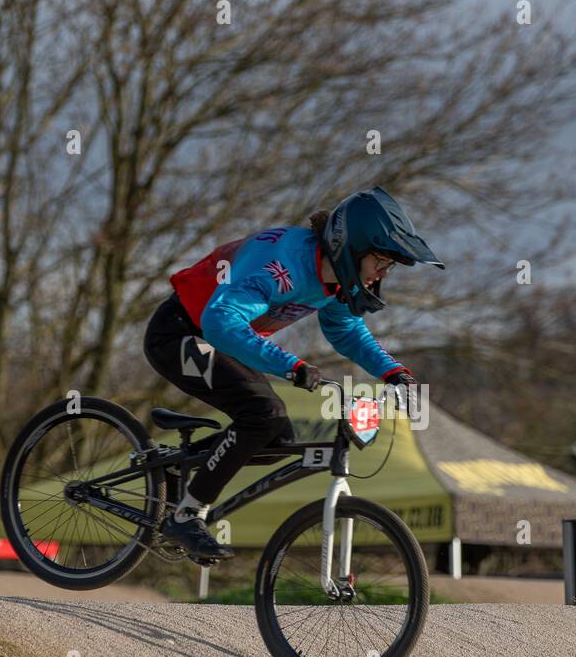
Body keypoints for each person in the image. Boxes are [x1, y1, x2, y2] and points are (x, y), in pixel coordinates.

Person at [143, 185, 444, 560]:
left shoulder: (335, 279)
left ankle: (178, 467)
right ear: (352, 250)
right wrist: (291, 366)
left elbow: (345, 330)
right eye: (380, 263)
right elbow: (220, 322)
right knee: (262, 414)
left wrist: (393, 373)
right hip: (182, 332)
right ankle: (186, 516)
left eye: (388, 267)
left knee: (275, 438)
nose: (382, 275)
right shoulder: (280, 264)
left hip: (225, 340)